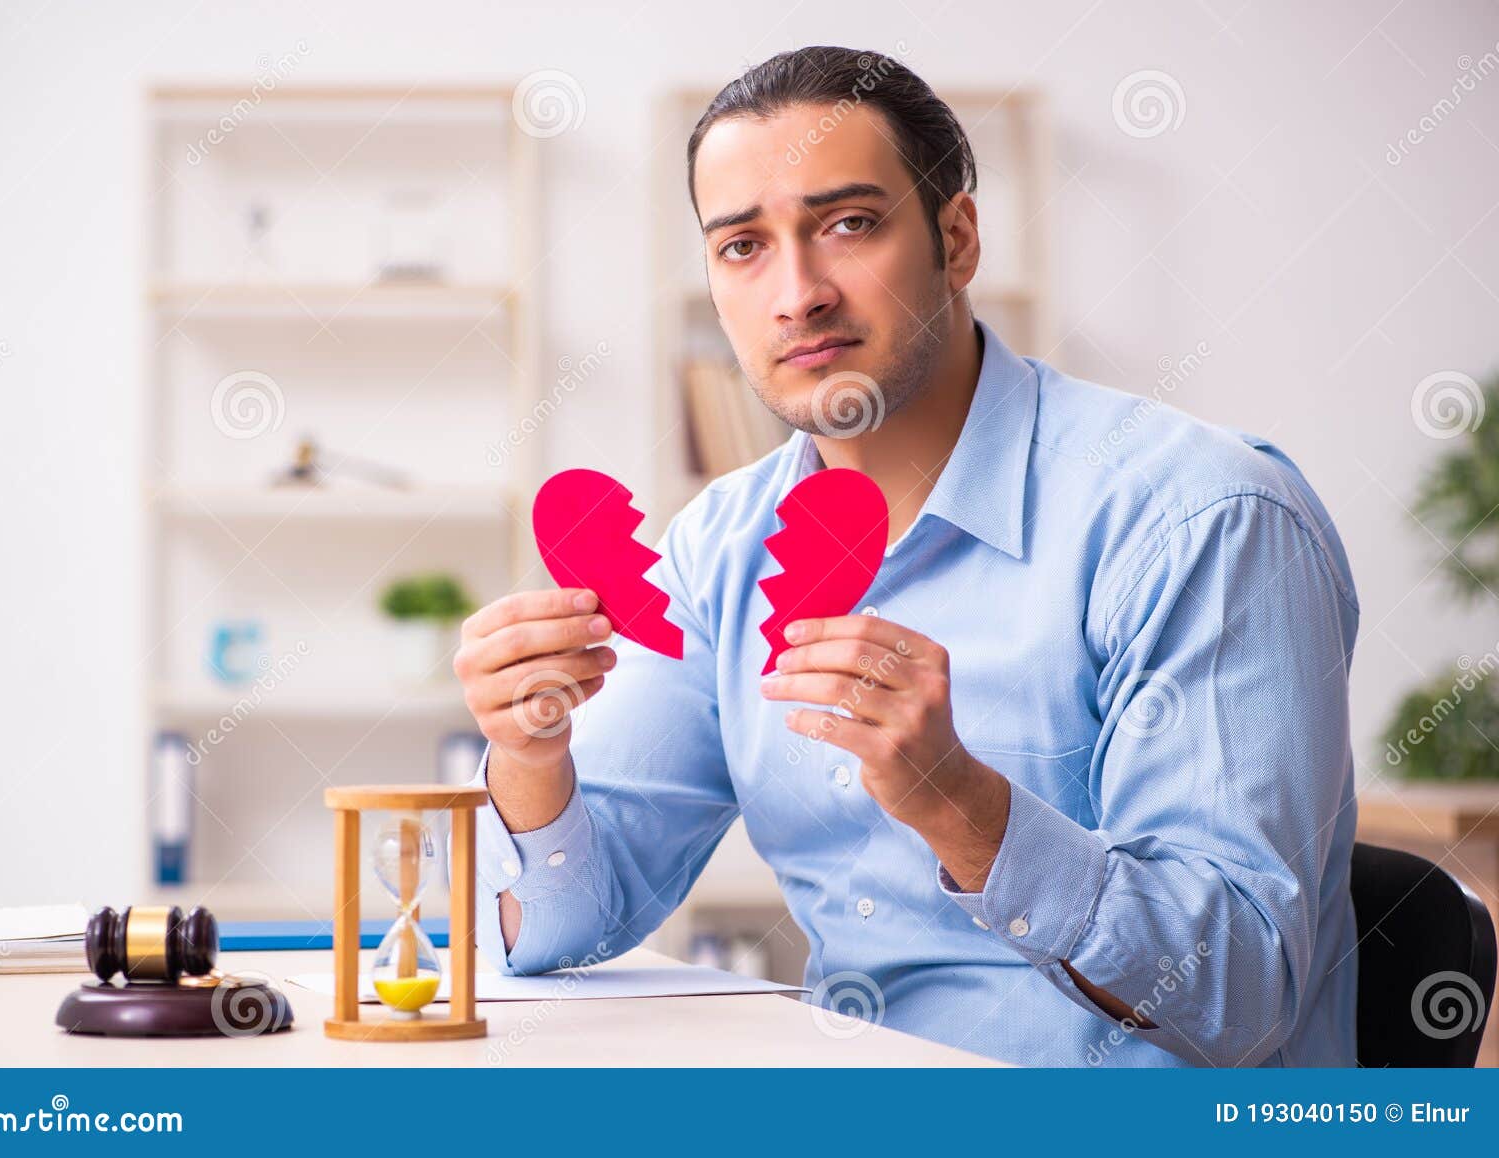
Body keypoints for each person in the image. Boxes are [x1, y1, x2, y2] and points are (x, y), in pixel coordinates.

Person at [452, 45, 1359, 1066]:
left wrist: (964, 809)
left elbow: (1239, 992)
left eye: (847, 224)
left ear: (956, 237)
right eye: (743, 246)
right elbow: (568, 924)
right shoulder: (721, 546)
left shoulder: (1201, 517)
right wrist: (530, 756)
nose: (797, 294)